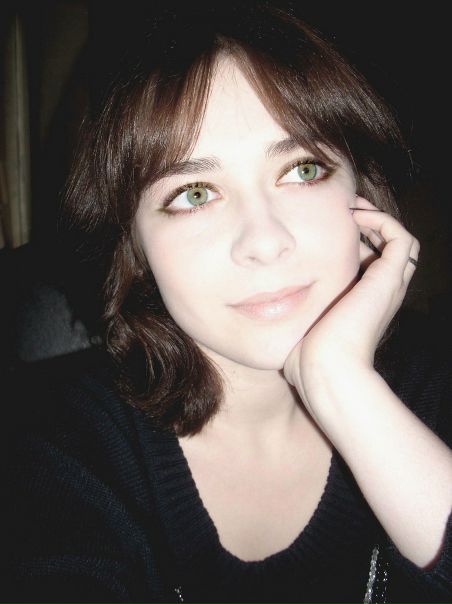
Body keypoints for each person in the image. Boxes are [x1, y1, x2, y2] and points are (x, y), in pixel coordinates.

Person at [5, 3, 452, 602]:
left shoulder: (435, 389)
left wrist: (342, 385)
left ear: (363, 196)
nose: (264, 242)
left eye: (302, 169)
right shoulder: (52, 445)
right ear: (134, 245)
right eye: (194, 193)